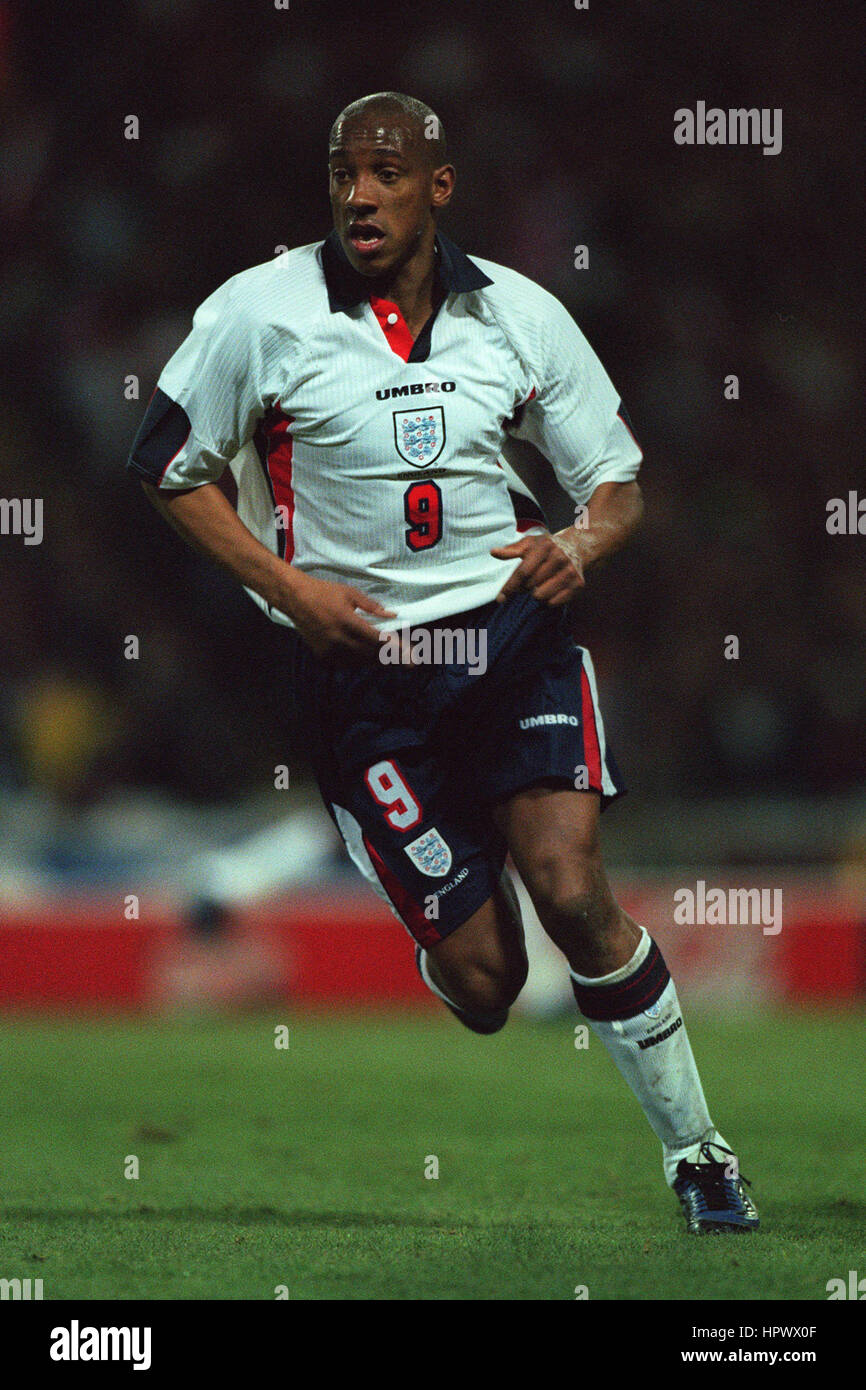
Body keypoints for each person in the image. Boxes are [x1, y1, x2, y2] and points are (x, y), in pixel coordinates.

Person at [128, 91, 758, 1234]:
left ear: (437, 187)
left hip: (508, 639)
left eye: (382, 172)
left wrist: (575, 542)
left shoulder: (515, 313)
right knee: (487, 986)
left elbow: (612, 483)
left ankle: (698, 1154)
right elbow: (168, 465)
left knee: (572, 890)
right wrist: (288, 590)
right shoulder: (257, 315)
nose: (358, 195)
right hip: (359, 681)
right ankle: (445, 914)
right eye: (340, 176)